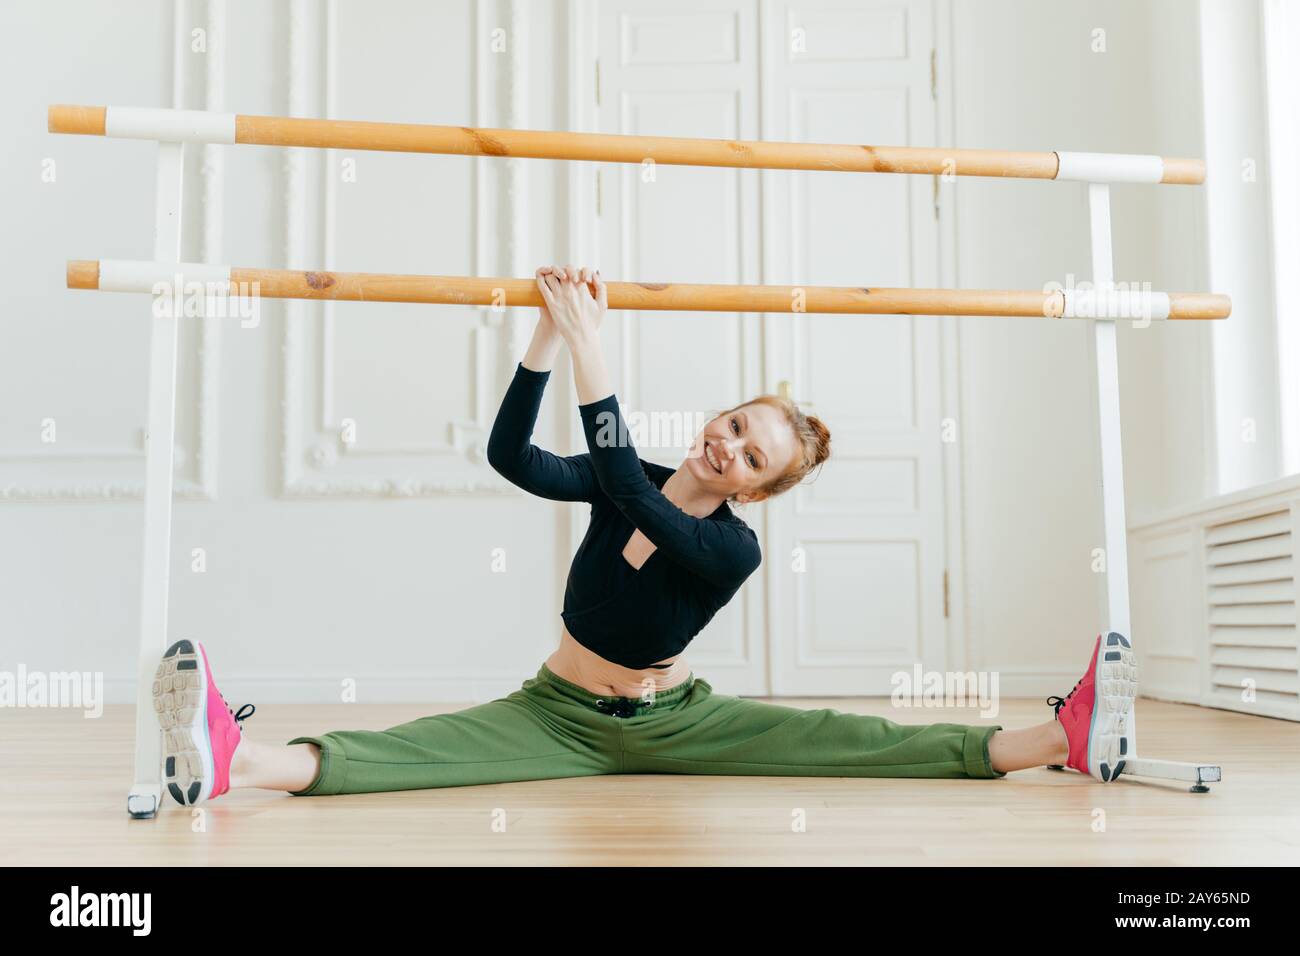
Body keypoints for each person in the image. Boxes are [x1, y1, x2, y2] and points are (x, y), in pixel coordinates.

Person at [151, 265, 1136, 806]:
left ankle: (1062, 734)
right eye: (735, 423)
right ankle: (230, 758)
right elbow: (514, 458)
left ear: (761, 488)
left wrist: (593, 348)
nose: (729, 444)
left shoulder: (730, 549)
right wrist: (545, 339)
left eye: (751, 455)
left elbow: (630, 487)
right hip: (555, 709)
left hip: (678, 717)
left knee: (855, 739)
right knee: (403, 749)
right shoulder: (643, 467)